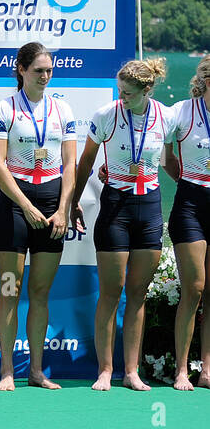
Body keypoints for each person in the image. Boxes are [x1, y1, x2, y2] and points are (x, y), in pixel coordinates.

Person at [70, 57, 172, 392]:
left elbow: (172, 159)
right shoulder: (106, 115)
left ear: (147, 89)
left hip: (150, 208)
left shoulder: (166, 117)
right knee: (111, 294)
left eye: (127, 93)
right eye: (119, 91)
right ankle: (105, 369)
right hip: (116, 209)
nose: (122, 97)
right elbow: (86, 161)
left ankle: (131, 372)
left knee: (137, 295)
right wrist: (72, 202)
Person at [0, 41, 77, 391]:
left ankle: (36, 371)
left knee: (40, 293)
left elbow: (69, 165)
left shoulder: (63, 110)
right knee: (10, 290)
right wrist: (25, 205)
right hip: (15, 207)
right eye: (38, 70)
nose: (45, 76)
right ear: (21, 70)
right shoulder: (4, 108)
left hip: (52, 206)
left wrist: (63, 209)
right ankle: (7, 371)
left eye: (49, 70)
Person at [165, 54, 210, 390]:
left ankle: (207, 370)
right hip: (190, 203)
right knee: (194, 288)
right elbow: (157, 148)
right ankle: (182, 369)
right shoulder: (182, 111)